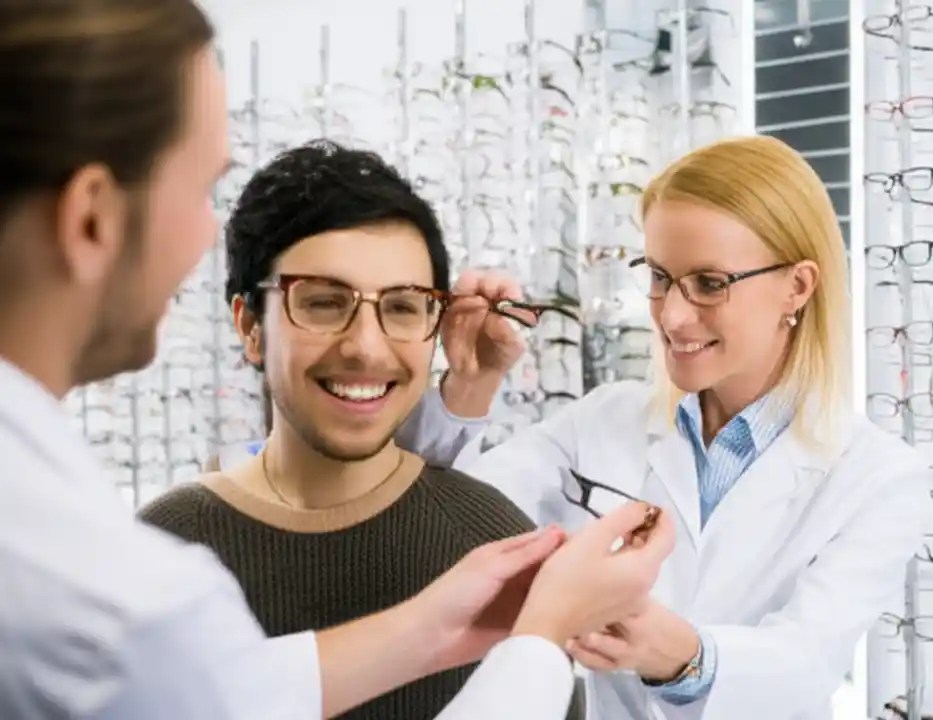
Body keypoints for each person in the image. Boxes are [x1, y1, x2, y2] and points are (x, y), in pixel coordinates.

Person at [0, 2, 673, 719]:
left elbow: (237, 693)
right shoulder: (122, 588)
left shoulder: (62, 545)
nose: (365, 345)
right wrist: (541, 636)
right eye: (200, 190)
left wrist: (434, 627)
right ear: (92, 216)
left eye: (403, 306)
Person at [395, 135, 933, 719]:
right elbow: (434, 532)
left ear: (797, 287)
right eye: (659, 276)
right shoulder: (605, 419)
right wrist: (470, 384)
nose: (672, 316)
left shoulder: (879, 477)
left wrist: (678, 654)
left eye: (710, 283)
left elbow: (807, 662)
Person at [138, 140, 582, 719]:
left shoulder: (493, 545)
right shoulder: (161, 551)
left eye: (402, 307)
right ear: (250, 327)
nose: (366, 348)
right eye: (323, 303)